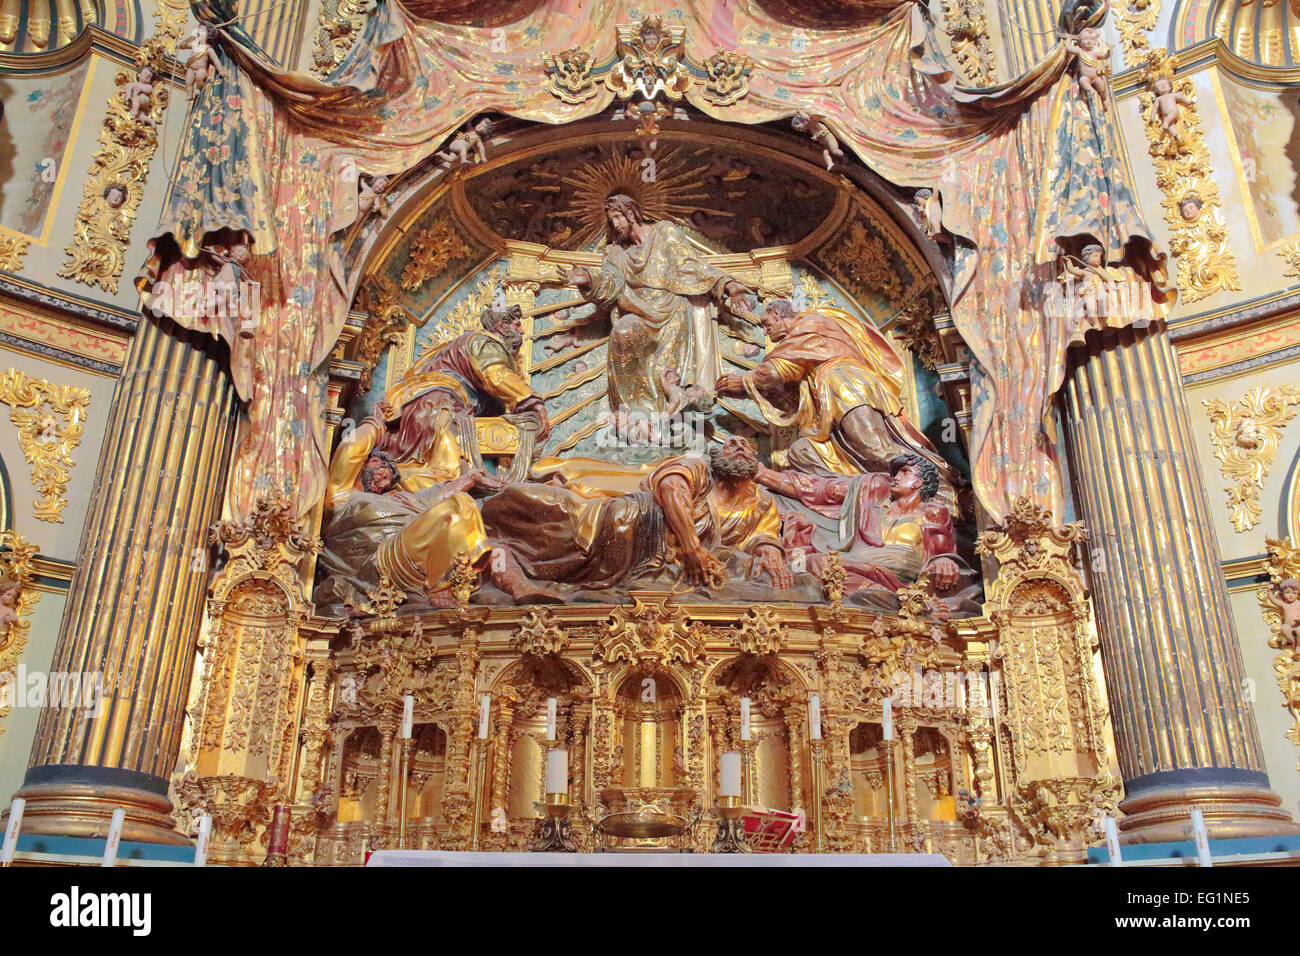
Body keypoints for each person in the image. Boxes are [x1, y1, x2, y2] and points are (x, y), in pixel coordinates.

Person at [715, 298, 954, 492]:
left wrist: (744, 381)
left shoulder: (810, 324)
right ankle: (860, 490)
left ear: (778, 315)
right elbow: (788, 383)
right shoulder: (802, 343)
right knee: (802, 451)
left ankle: (939, 484)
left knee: (872, 445)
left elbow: (781, 368)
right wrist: (748, 391)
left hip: (846, 386)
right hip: (827, 404)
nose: (766, 331)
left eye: (767, 324)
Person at [562, 194, 750, 416]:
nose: (614, 225)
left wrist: (729, 286)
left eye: (616, 218)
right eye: (611, 220)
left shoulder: (664, 232)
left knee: (666, 372)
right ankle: (635, 414)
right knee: (623, 332)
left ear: (630, 214)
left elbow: (692, 267)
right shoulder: (616, 252)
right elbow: (611, 282)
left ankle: (670, 412)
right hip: (636, 310)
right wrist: (588, 279)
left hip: (672, 312)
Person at [756, 453, 976, 606]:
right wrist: (766, 476)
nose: (896, 477)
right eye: (896, 473)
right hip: (861, 566)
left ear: (919, 482)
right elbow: (824, 489)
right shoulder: (871, 495)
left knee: (821, 563)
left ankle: (890, 597)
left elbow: (943, 554)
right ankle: (890, 599)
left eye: (905, 472)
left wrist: (943, 560)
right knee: (814, 563)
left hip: (901, 572)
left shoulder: (932, 512)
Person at [647, 436, 792, 591]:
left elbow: (762, 534)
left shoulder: (763, 502)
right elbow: (671, 486)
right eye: (731, 445)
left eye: (745, 445)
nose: (739, 447)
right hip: (653, 538)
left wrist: (770, 550)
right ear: (716, 456)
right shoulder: (698, 467)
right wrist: (692, 548)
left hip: (713, 562)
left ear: (755, 458)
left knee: (767, 577)